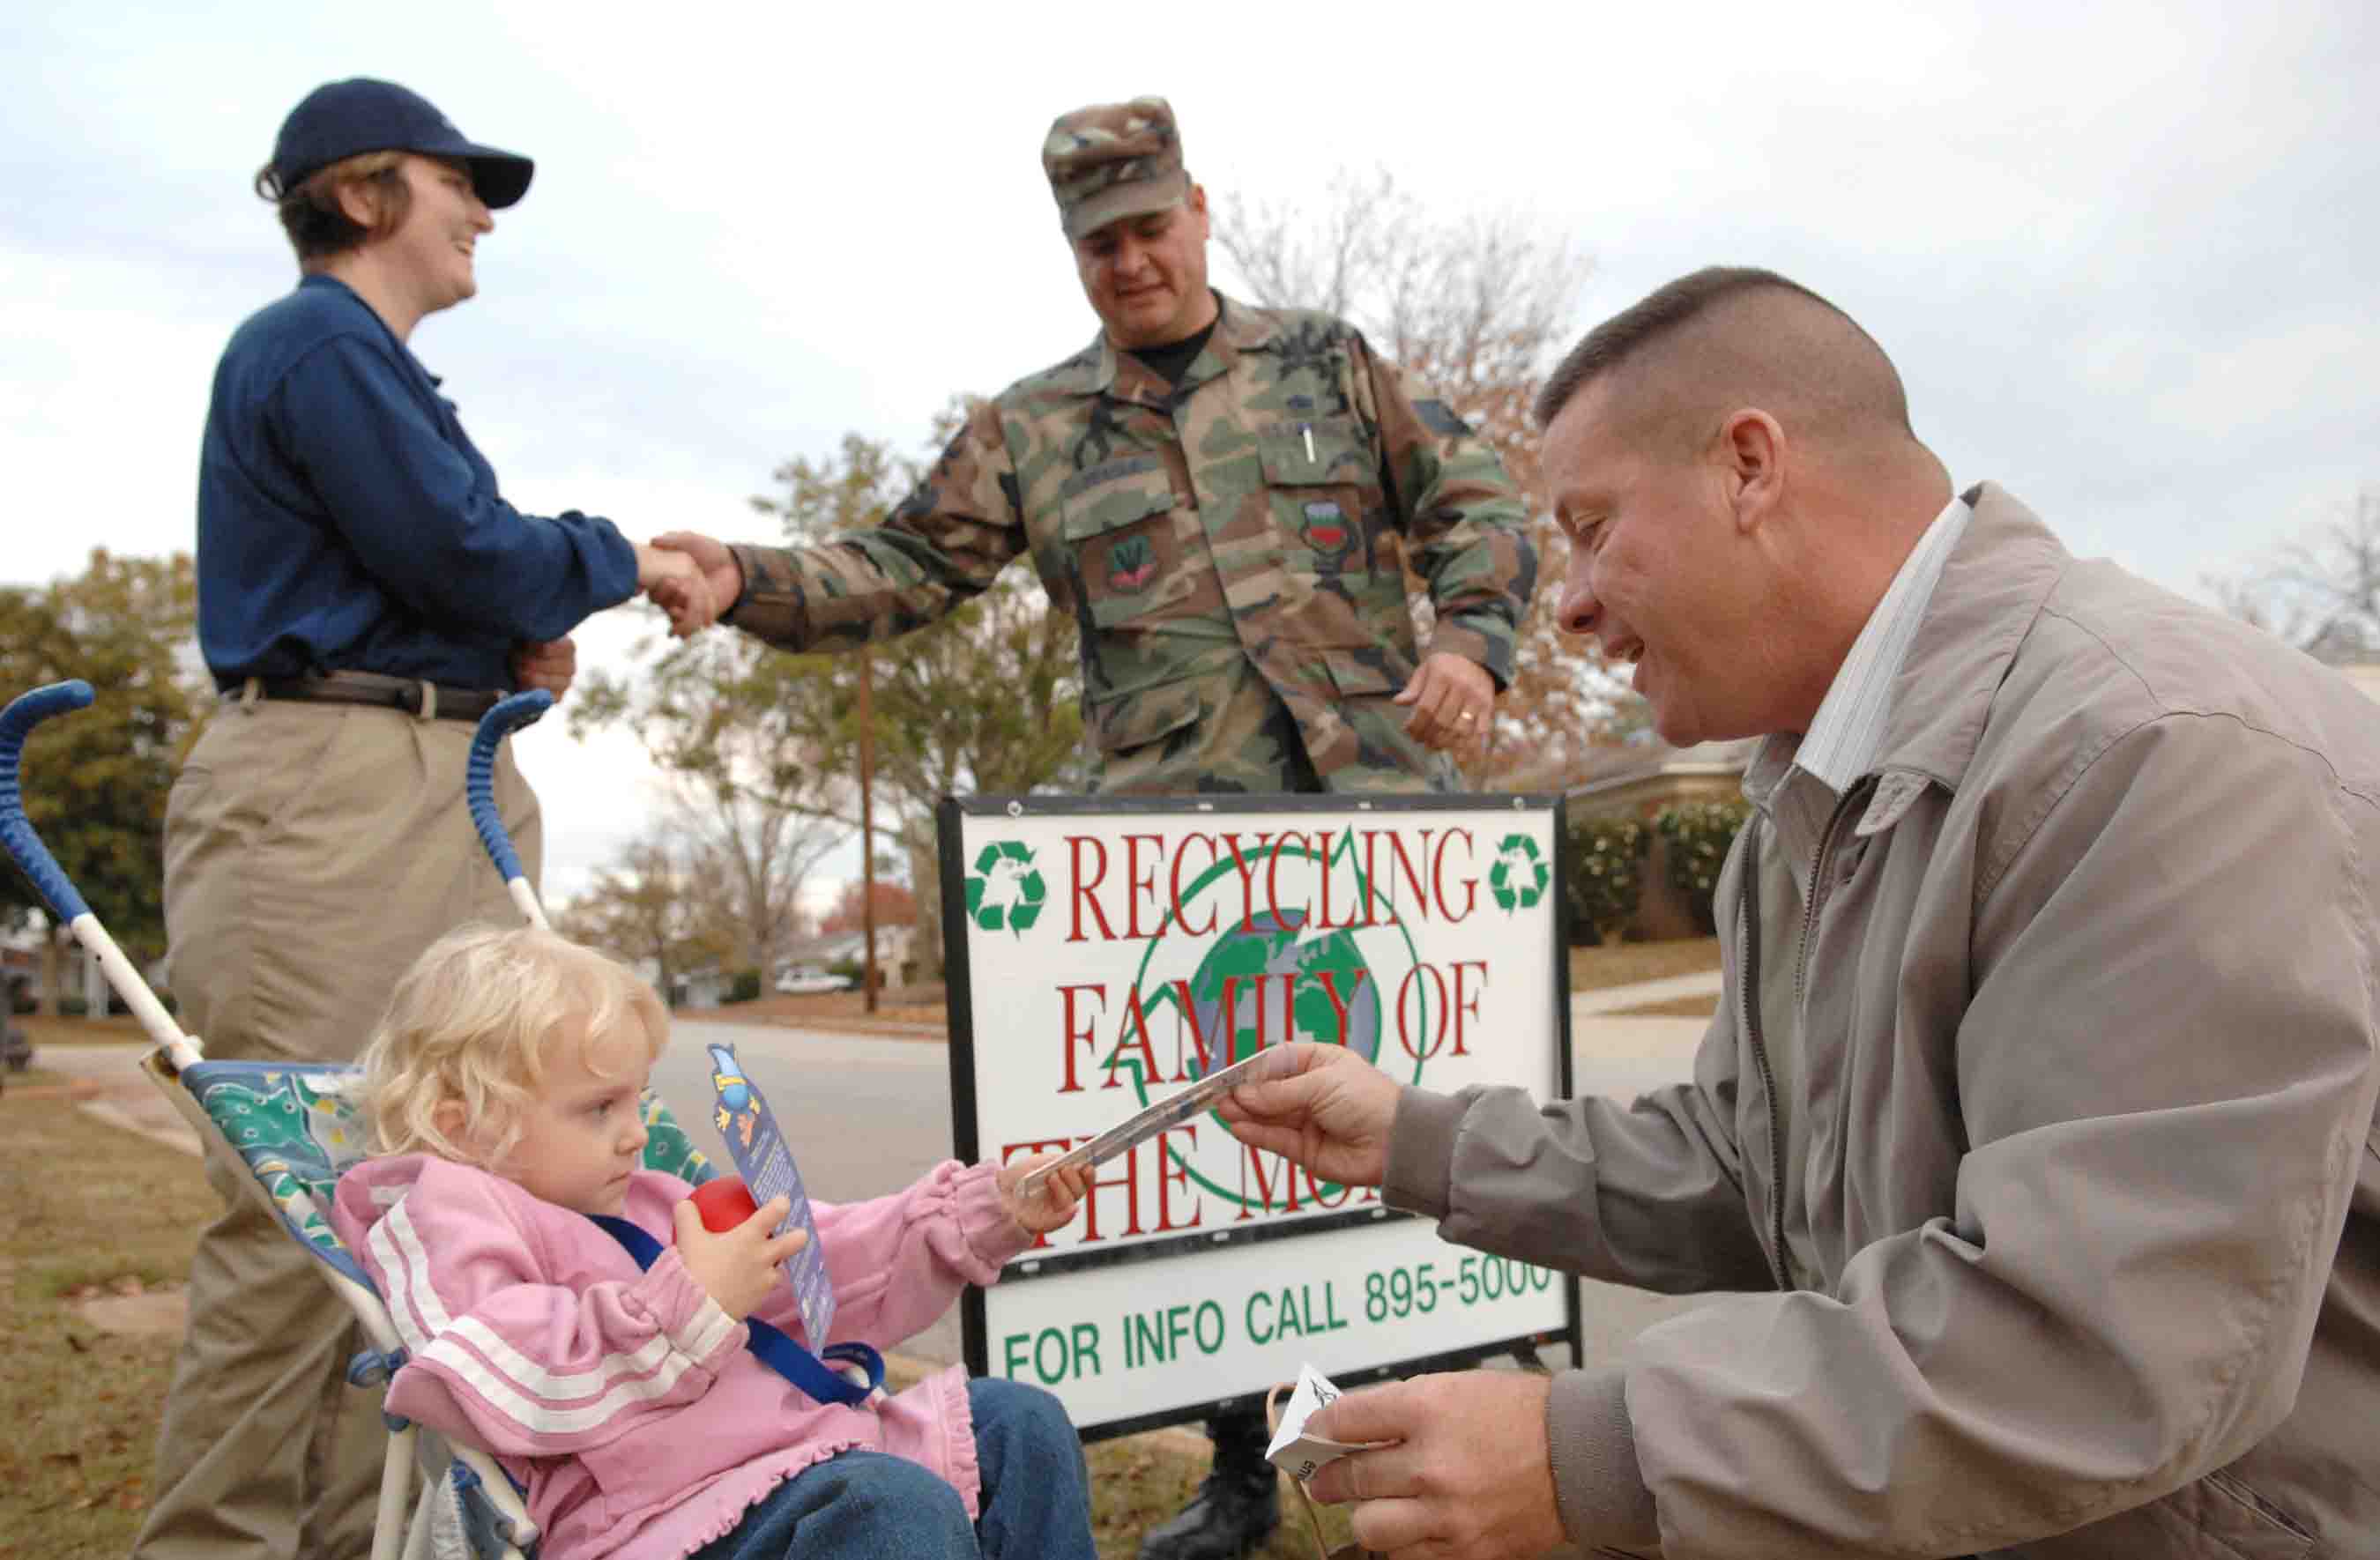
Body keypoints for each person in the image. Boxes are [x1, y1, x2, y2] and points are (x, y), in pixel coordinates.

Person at [1216, 266, 2380, 1557]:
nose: (1573, 602)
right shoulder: (1812, 803)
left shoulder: (2147, 753)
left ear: (1750, 467)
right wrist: (1413, 1139)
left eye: (1594, 527)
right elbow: (1754, 1162)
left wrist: (1588, 1452)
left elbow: (2102, 1341)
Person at [649, 98, 1536, 1556]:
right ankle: (1249, 1462)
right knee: (1215, 1174)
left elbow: (1478, 500)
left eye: (1147, 228)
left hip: (1379, 826)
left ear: (1198, 209)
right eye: (1097, 244)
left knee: (1412, 1130)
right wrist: (741, 576)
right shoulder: (1041, 427)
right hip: (1170, 860)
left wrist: (1474, 641)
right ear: (1073, 254)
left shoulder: (1328, 363)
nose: (1129, 264)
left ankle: (1429, 1425)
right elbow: (904, 561)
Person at [139, 78, 713, 1560]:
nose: (481, 212)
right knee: (302, 1215)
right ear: (358, 194)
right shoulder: (316, 342)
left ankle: (354, 1543)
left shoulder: (375, 371)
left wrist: (495, 654)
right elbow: (465, 549)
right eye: (456, 182)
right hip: (323, 803)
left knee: (417, 1213)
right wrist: (609, 561)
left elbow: (448, 577)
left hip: (423, 776)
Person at [330, 925, 1097, 1560]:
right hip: (652, 1519)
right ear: (467, 1124)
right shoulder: (447, 1212)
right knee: (890, 1508)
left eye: (639, 1098)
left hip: (790, 1459)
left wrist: (973, 1214)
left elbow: (813, 1261)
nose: (638, 1134)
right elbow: (498, 1369)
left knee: (1020, 1423)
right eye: (600, 1108)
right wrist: (686, 1306)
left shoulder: (650, 1201)